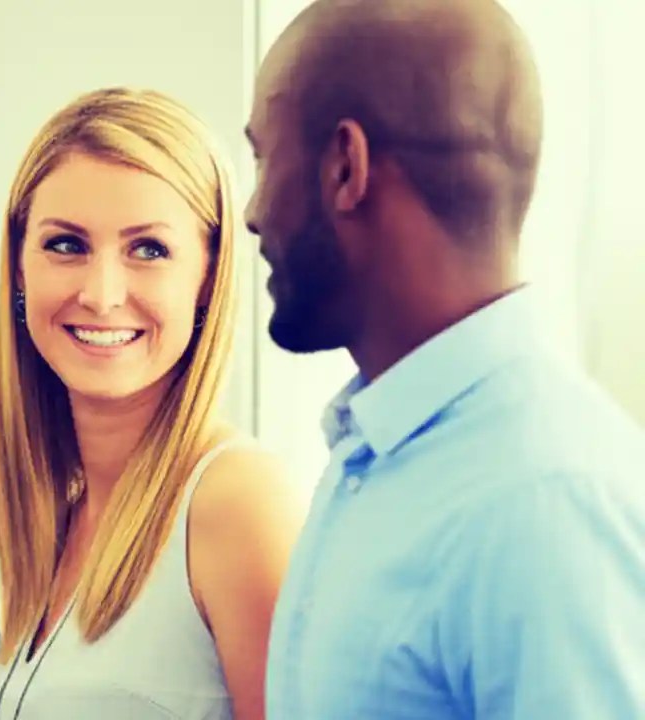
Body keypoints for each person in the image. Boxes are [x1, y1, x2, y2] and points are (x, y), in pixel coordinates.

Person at [244, 0, 645, 717]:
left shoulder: (544, 502)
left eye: (263, 156)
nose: (251, 211)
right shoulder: (379, 458)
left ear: (345, 167)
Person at [0, 87, 306, 720]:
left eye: (148, 249)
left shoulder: (236, 503)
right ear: (19, 268)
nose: (101, 294)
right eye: (66, 245)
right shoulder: (62, 522)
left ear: (207, 275)